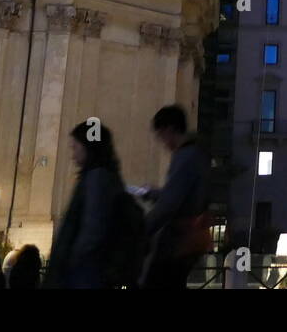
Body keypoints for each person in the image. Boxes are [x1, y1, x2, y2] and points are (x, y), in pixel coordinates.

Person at [45, 121, 128, 289]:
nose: (73, 155)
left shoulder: (96, 178)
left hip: (84, 273)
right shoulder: (106, 177)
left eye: (75, 147)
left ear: (88, 147)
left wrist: (68, 263)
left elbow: (93, 229)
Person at [141, 105, 210, 290]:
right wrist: (156, 194)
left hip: (178, 240)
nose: (162, 142)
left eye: (160, 135)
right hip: (191, 239)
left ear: (169, 130)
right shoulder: (198, 153)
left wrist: (140, 230)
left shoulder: (185, 156)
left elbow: (169, 205)